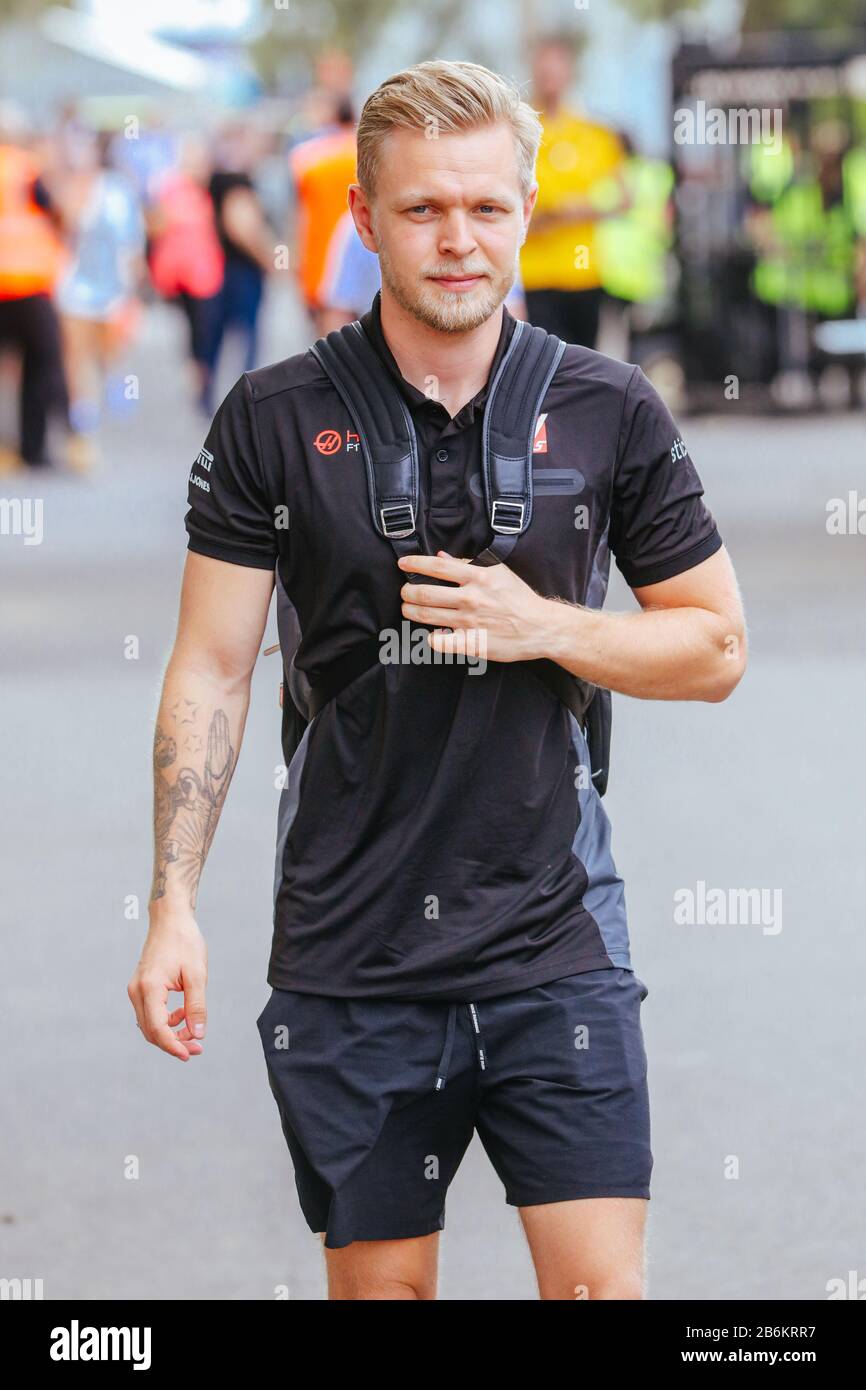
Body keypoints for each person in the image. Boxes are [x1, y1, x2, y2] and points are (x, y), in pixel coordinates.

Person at [129, 60, 747, 1301]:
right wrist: (173, 902)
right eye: (420, 210)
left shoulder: (607, 408)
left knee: (598, 1295)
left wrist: (544, 627)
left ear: (525, 207)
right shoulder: (270, 417)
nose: (456, 239)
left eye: (484, 207)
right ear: (362, 217)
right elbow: (210, 665)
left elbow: (711, 647)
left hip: (553, 934)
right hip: (348, 949)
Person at [520, 34, 630, 349]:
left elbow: (625, 199)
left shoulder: (597, 135)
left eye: (556, 71)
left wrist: (581, 210)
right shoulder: (519, 133)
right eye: (543, 72)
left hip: (584, 274)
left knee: (582, 364)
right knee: (542, 363)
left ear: (569, 74)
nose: (550, 80)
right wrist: (542, 216)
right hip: (536, 274)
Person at [54, 127, 147, 469]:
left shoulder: (117, 190)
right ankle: (84, 418)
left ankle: (115, 386)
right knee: (77, 353)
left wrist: (134, 286)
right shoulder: (67, 188)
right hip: (75, 284)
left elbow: (131, 240)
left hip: (112, 284)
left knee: (108, 350)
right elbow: (64, 230)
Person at [0, 107, 68, 471]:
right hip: (28, 285)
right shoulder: (26, 168)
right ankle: (32, 448)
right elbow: (56, 213)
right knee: (40, 367)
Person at [147, 134, 225, 417]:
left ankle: (202, 377)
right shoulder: (170, 190)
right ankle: (199, 377)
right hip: (179, 273)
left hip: (205, 272)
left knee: (205, 328)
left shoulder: (208, 190)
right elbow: (155, 228)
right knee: (196, 327)